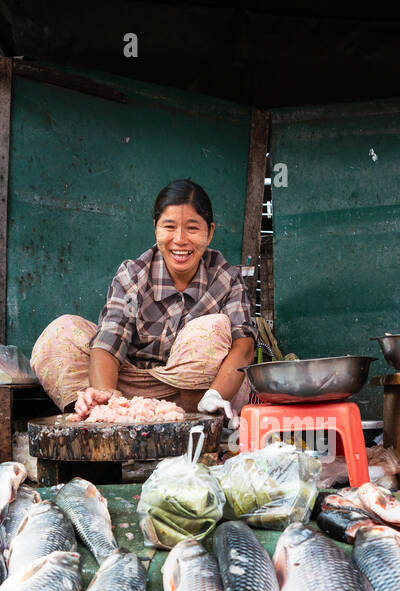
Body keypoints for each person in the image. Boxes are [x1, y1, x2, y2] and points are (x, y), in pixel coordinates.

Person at [31, 179, 257, 426]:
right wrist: (106, 394)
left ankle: (196, 424)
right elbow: (109, 340)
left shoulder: (226, 278)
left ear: (210, 232)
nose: (180, 240)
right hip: (130, 393)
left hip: (198, 396)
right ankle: (112, 418)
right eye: (169, 227)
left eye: (192, 228)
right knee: (60, 333)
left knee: (212, 328)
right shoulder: (133, 275)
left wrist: (215, 394)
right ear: (155, 229)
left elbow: (244, 347)